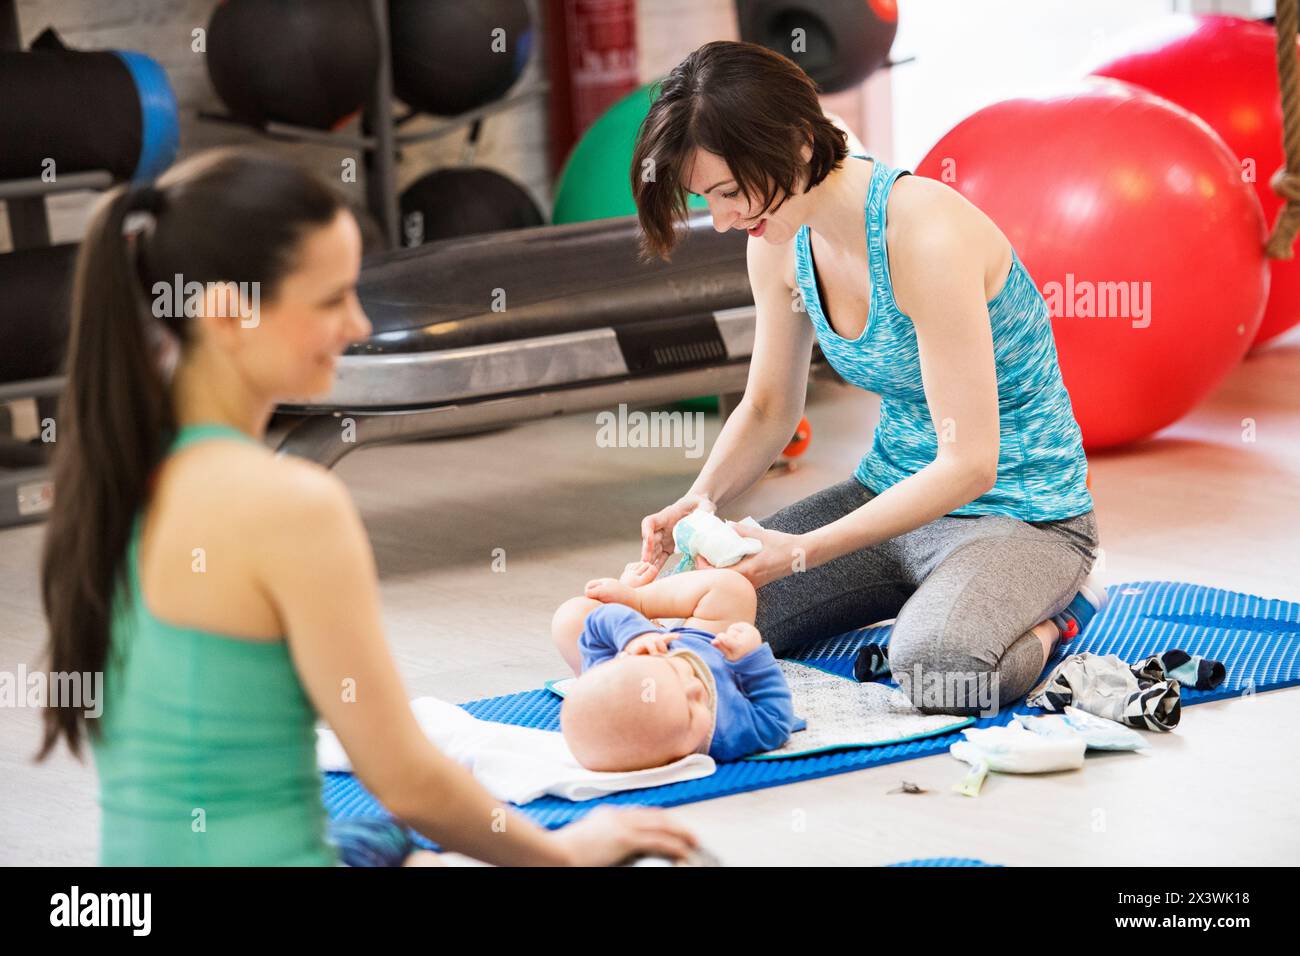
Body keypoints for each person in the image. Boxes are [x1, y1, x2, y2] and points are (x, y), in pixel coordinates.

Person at [38, 148, 696, 866]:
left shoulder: (112, 478)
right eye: (328, 300)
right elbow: (405, 781)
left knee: (377, 842)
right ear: (228, 314)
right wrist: (567, 854)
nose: (356, 323)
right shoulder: (289, 505)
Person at [631, 41, 1104, 717]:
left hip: (1022, 519)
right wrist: (700, 502)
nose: (726, 218)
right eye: (707, 198)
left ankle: (1054, 613)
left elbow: (969, 465)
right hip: (886, 501)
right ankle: (943, 599)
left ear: (796, 143)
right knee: (694, 620)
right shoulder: (778, 243)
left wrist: (801, 551)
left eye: (731, 192)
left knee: (939, 671)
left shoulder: (924, 235)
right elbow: (768, 408)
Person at [552, 562, 797, 769]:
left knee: (572, 616)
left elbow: (598, 624)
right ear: (677, 759)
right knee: (733, 589)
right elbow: (775, 719)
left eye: (673, 671)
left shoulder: (617, 664)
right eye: (690, 714)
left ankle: (638, 603)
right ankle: (641, 616)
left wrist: (635, 636)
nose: (697, 689)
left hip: (656, 641)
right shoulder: (726, 735)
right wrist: (751, 657)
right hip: (714, 643)